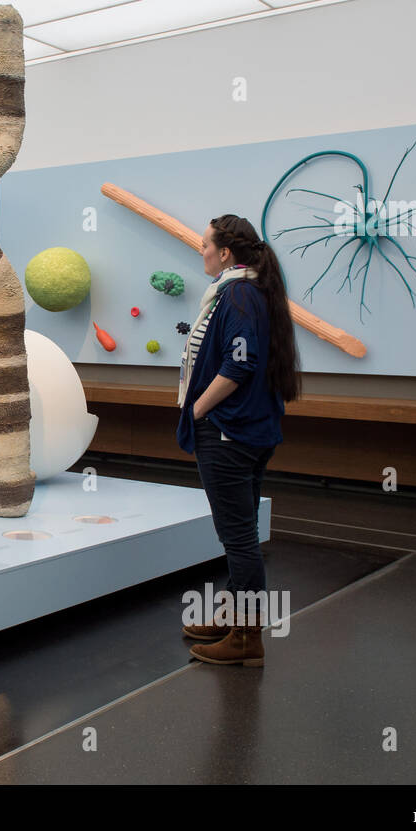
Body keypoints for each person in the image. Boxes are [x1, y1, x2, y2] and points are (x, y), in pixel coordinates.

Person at [175, 214, 301, 667]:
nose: (202, 251)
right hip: (245, 429)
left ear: (225, 252)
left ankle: (247, 639)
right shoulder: (247, 291)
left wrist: (199, 408)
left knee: (238, 539)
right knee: (240, 533)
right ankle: (235, 618)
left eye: (205, 244)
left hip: (229, 433)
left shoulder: (240, 295)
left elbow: (238, 364)